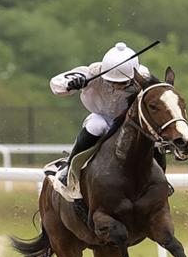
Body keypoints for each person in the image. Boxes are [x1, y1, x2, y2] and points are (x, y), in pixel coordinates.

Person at [45, 42, 153, 218]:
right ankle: (69, 168)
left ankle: (159, 180)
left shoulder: (143, 76)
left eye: (123, 83)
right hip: (100, 118)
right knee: (97, 125)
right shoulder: (92, 72)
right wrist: (72, 83)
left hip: (128, 123)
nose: (117, 86)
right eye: (112, 82)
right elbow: (55, 85)